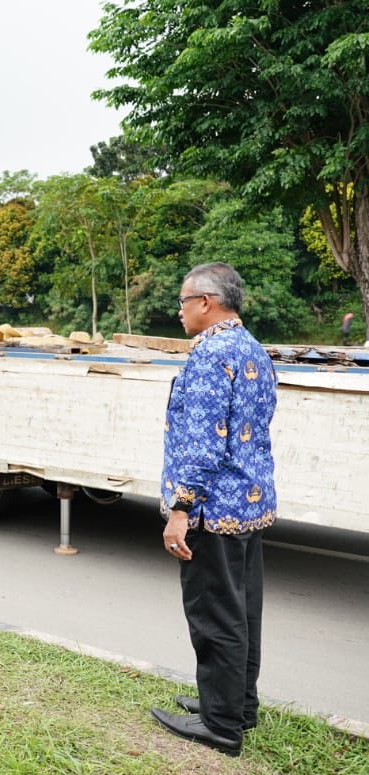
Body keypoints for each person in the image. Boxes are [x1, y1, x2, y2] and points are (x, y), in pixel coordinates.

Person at [151, 262, 277, 757]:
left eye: (183, 301)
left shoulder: (209, 354)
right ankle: (236, 706)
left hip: (212, 510)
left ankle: (220, 726)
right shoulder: (252, 348)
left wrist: (181, 509)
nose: (179, 311)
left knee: (215, 616)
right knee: (242, 611)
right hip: (248, 504)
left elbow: (203, 443)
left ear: (206, 302)